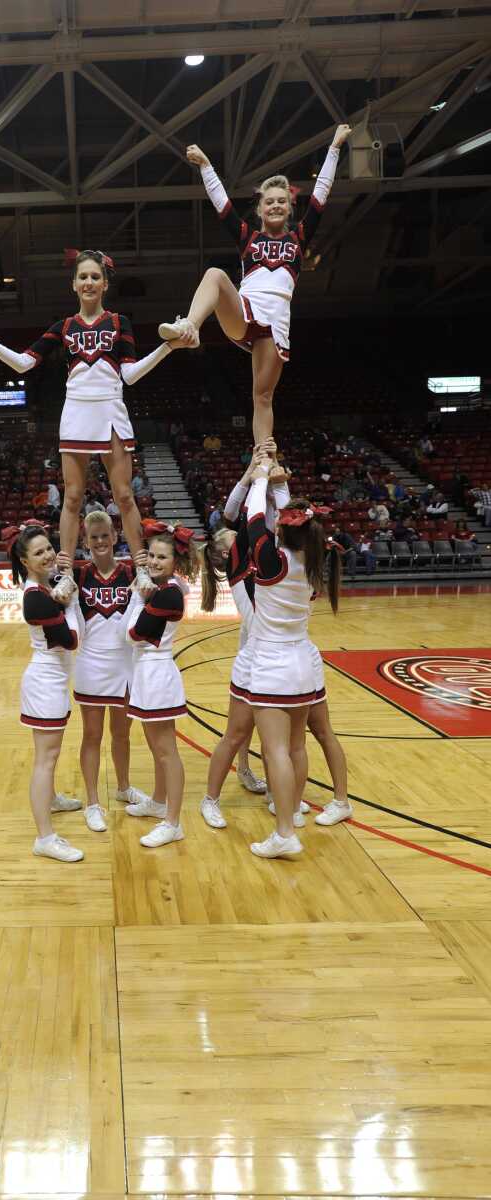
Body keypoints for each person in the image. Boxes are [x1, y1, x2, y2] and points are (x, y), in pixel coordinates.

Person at [0, 249, 187, 595]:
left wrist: (168, 348)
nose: (89, 282)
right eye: (83, 277)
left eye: (95, 277)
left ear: (105, 284)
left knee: (124, 495)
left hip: (111, 409)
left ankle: (141, 569)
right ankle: (65, 574)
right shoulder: (63, 327)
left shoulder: (119, 322)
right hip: (76, 411)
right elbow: (23, 363)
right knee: (72, 498)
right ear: (73, 284)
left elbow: (130, 375)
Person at [158, 125, 352, 442]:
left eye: (281, 201)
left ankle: (263, 454)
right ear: (260, 208)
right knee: (215, 275)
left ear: (289, 208)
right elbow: (222, 206)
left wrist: (334, 148)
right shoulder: (248, 238)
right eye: (269, 201)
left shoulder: (298, 238)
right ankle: (190, 326)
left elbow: (321, 196)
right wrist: (206, 165)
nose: (275, 205)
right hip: (244, 312)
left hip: (274, 326)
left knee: (262, 396)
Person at [231, 454, 341, 858]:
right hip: (303, 663)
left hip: (272, 664)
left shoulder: (272, 561)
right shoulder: (312, 560)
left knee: (275, 750)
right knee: (296, 747)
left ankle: (284, 833)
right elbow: (287, 517)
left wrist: (260, 477)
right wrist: (278, 481)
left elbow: (253, 518)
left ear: (284, 530)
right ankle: (292, 813)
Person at [198, 450, 286, 831]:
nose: (244, 536)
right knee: (236, 733)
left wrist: (265, 475)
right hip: (253, 658)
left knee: (272, 734)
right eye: (236, 537)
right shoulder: (237, 561)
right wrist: (255, 473)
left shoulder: (257, 559)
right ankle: (210, 799)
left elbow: (268, 518)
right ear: (225, 551)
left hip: (272, 654)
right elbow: (238, 513)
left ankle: (275, 792)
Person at [65, 511, 152, 833]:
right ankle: (91, 802)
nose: (100, 541)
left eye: (105, 535)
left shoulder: (132, 572)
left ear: (115, 537)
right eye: (94, 537)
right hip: (90, 662)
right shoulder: (77, 575)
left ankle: (124, 787)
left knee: (122, 733)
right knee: (92, 735)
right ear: (85, 541)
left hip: (124, 663)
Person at [123, 520, 201, 848]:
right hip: (146, 674)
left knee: (167, 752)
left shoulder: (168, 594)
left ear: (175, 561)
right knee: (157, 748)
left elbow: (131, 634)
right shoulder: (162, 588)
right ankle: (158, 801)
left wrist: (137, 597)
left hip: (157, 675)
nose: (154, 562)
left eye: (162, 557)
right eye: (151, 556)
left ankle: (173, 822)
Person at [12, 522, 85, 863]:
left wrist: (65, 584)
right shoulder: (36, 598)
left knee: (49, 754)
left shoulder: (45, 588)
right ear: (25, 561)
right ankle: (45, 838)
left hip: (53, 680)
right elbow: (72, 640)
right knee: (46, 759)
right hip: (45, 683)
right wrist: (70, 601)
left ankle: (52, 799)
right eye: (38, 552)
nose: (47, 555)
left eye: (48, 548)